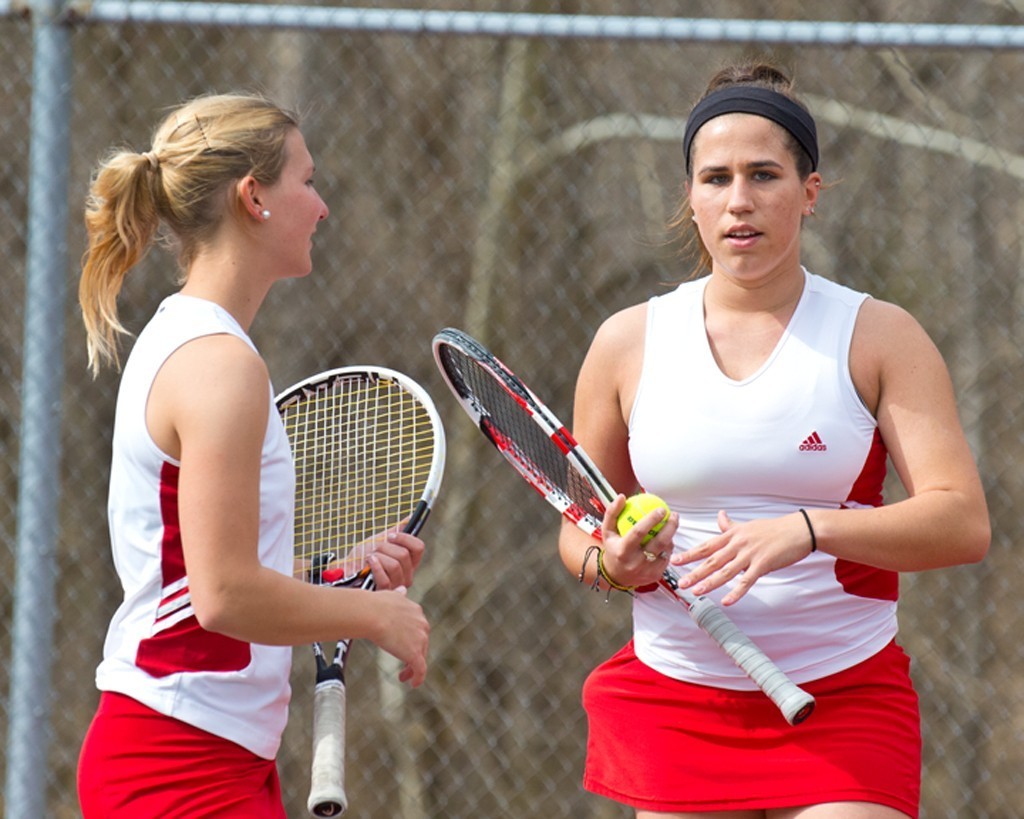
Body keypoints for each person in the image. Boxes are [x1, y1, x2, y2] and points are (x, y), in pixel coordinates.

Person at [559, 61, 990, 819]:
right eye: (715, 178)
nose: (739, 201)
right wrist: (615, 564)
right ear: (689, 198)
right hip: (675, 694)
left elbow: (961, 521)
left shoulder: (879, 335)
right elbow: (581, 534)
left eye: (764, 174)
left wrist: (810, 530)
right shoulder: (627, 342)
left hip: (842, 694)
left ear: (810, 192)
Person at [76, 92, 430, 818]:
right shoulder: (219, 366)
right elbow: (223, 595)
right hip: (175, 760)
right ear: (254, 197)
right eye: (306, 180)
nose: (322, 206)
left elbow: (194, 576)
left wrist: (338, 574)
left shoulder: (192, 341)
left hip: (204, 749)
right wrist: (375, 619)